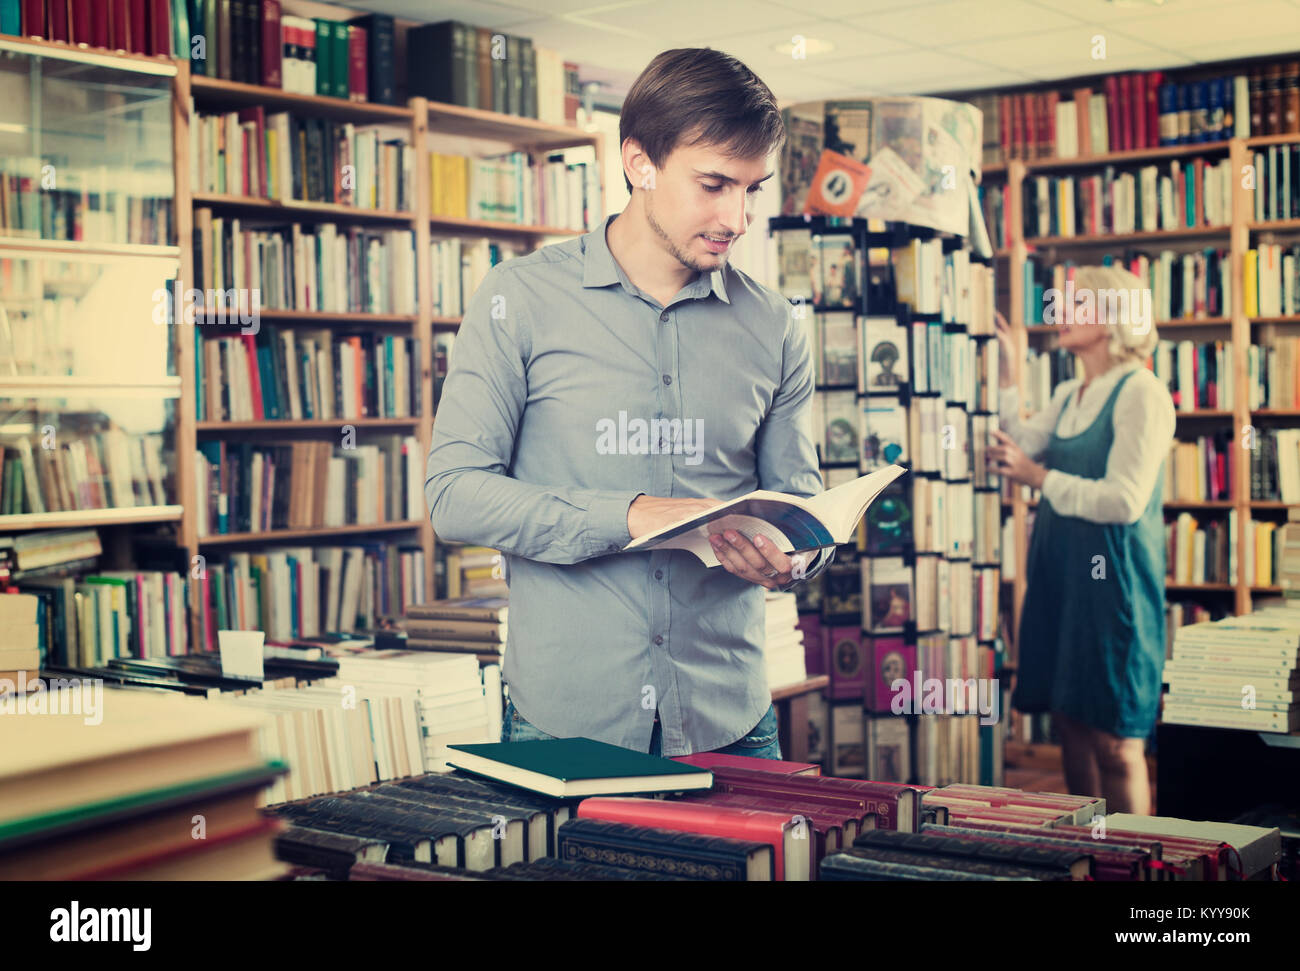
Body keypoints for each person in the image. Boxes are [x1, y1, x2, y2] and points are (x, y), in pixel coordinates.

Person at [425, 48, 836, 760]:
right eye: (713, 184)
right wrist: (627, 515)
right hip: (566, 721)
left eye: (751, 190)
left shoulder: (774, 326)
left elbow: (800, 503)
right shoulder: (516, 299)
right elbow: (454, 495)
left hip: (730, 720)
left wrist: (797, 555)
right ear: (639, 162)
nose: (735, 217)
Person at [989, 264, 1175, 815]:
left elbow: (1123, 501)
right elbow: (1020, 443)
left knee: (1117, 742)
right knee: (1069, 720)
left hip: (1111, 583)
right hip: (1059, 573)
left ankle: (1138, 867)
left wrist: (1040, 479)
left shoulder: (1143, 392)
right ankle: (1092, 856)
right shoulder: (1072, 391)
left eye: (1078, 303)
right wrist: (1006, 373)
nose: (1060, 312)